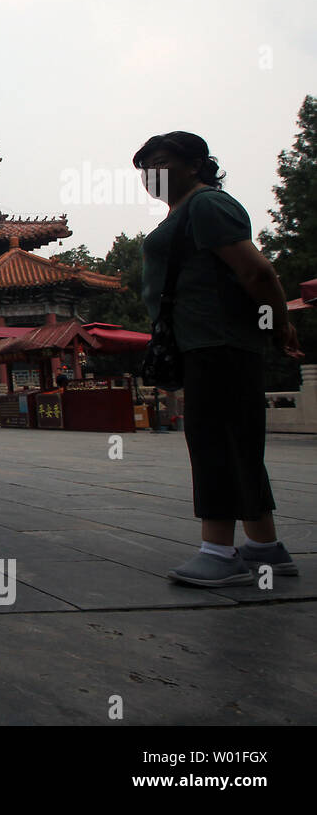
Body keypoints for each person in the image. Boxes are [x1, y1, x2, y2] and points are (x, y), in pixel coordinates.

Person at [135, 131, 303, 586]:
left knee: (213, 442)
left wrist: (279, 322)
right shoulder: (186, 210)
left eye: (162, 161)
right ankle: (266, 549)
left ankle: (219, 552)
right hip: (208, 341)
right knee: (237, 442)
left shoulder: (207, 205)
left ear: (195, 164)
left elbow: (257, 270)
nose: (151, 174)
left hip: (218, 341)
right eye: (144, 168)